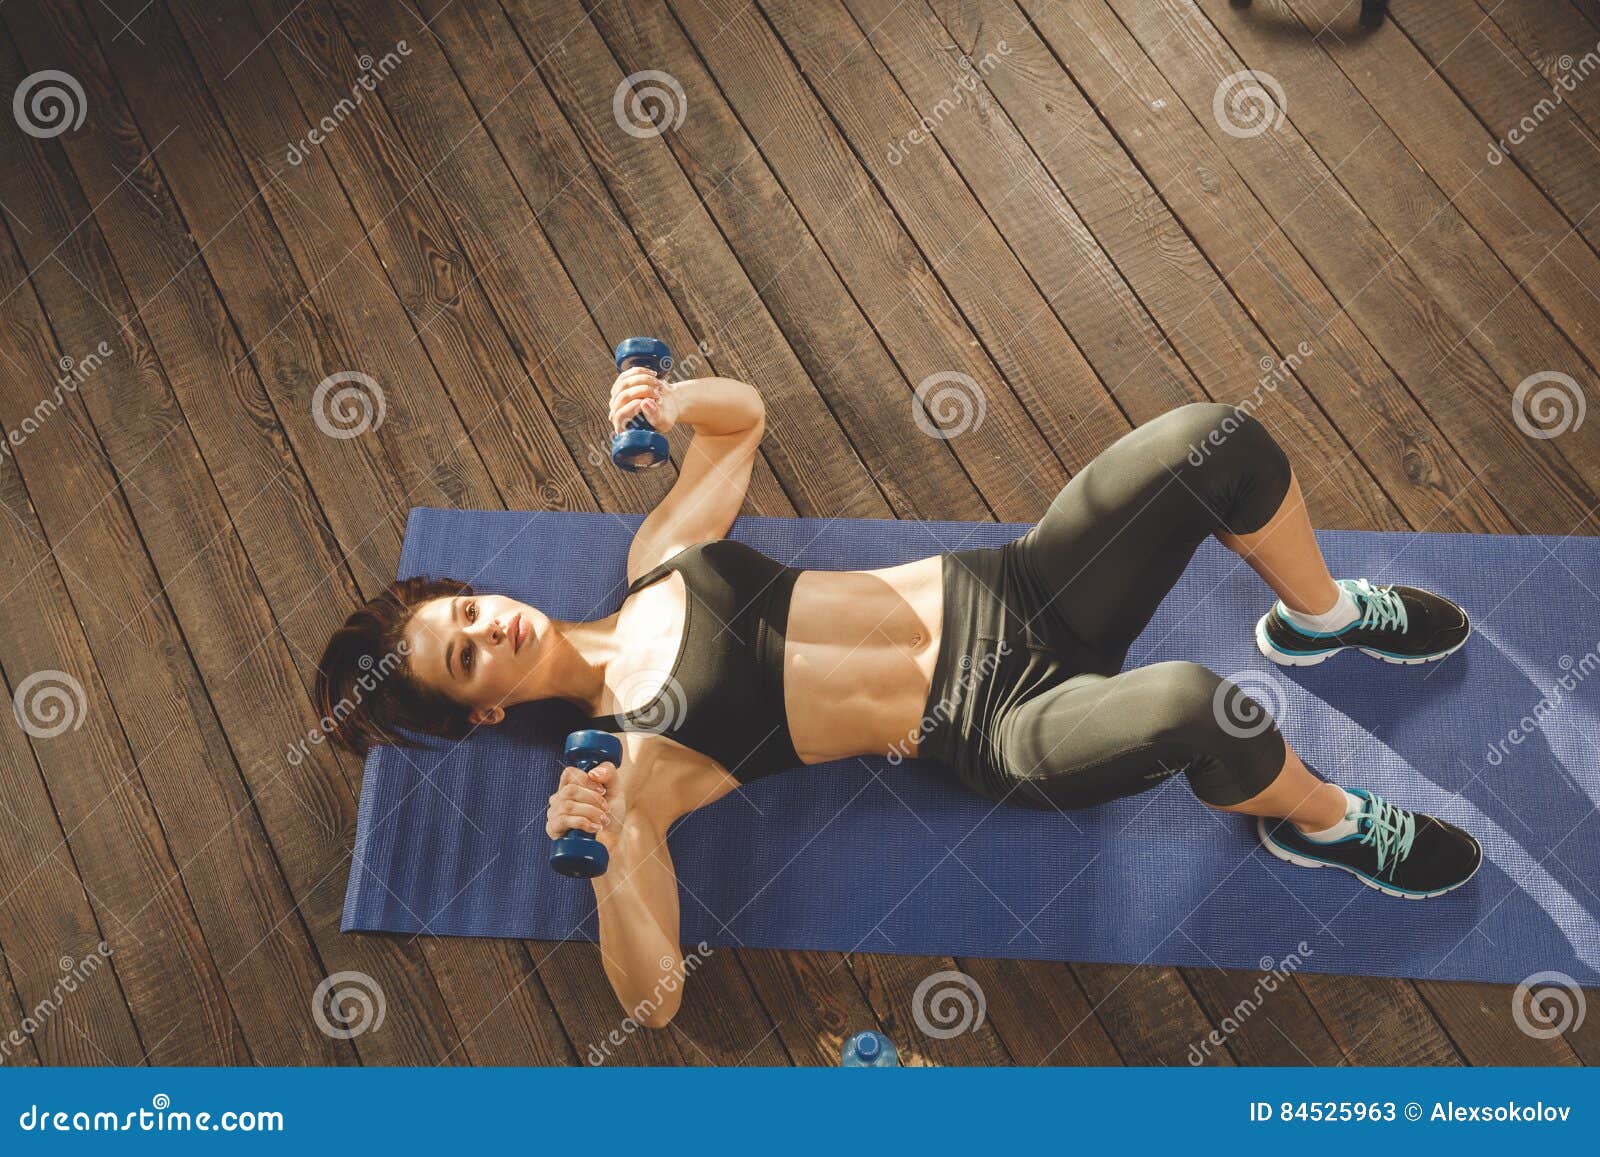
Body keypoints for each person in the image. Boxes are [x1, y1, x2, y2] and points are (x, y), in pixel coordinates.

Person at [317, 367, 1480, 1026]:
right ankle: (1322, 821)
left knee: (1208, 437)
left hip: (1019, 588)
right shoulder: (628, 761)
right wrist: (612, 856)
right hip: (998, 723)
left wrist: (667, 401)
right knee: (1194, 702)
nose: (490, 628)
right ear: (482, 709)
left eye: (468, 610)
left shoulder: (659, 556)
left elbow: (743, 418)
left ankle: (1319, 614)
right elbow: (655, 997)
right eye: (465, 658)